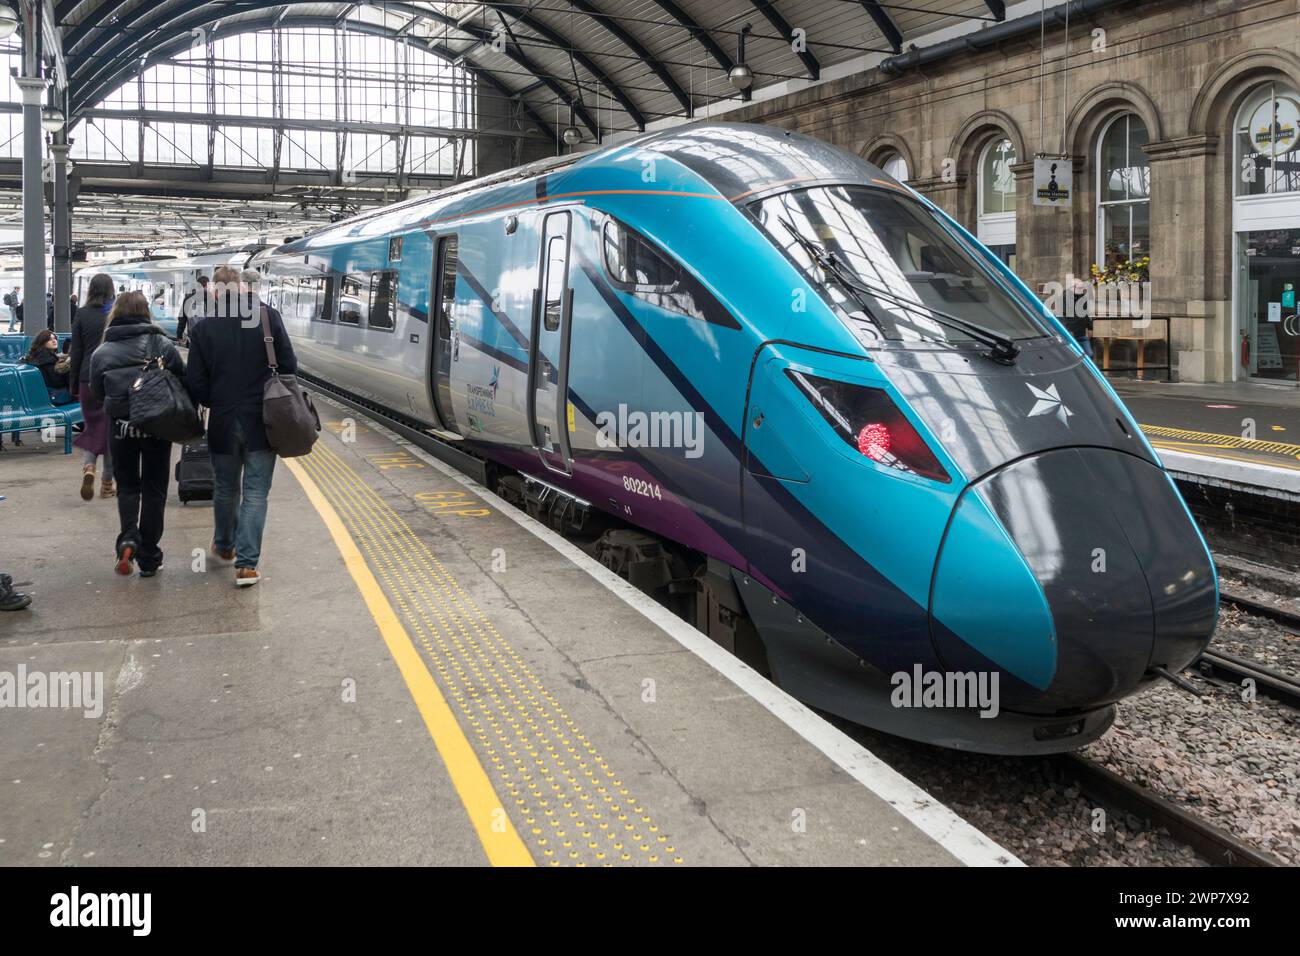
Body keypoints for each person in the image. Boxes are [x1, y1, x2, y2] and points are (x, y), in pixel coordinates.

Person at [186, 266, 297, 588]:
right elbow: (289, 366)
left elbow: (195, 382)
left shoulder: (203, 327)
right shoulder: (268, 317)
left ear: (216, 292)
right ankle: (247, 567)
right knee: (255, 492)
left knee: (225, 487)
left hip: (222, 419)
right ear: (241, 287)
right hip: (262, 420)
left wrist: (217, 400)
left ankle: (224, 546)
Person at [88, 291, 185, 578]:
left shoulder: (102, 352)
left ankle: (128, 539)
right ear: (146, 313)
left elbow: (97, 392)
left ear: (115, 313)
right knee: (154, 491)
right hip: (156, 425)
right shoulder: (162, 344)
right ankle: (150, 557)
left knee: (128, 488)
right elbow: (181, 379)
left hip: (120, 427)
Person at [68, 274, 116, 500]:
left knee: (92, 428)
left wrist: (74, 383)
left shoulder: (82, 314)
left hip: (87, 378)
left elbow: (75, 352)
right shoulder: (114, 313)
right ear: (110, 290)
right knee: (111, 432)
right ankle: (107, 483)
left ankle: (89, 467)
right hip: (112, 378)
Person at [23, 329, 73, 405]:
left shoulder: (34, 356)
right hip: (54, 397)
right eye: (50, 340)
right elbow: (57, 382)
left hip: (39, 395)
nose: (54, 341)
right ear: (42, 342)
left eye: (54, 338)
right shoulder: (48, 360)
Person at [176, 275, 210, 343]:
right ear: (207, 285)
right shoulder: (210, 299)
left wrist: (179, 335)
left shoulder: (188, 299)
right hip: (207, 336)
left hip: (192, 335)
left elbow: (182, 318)